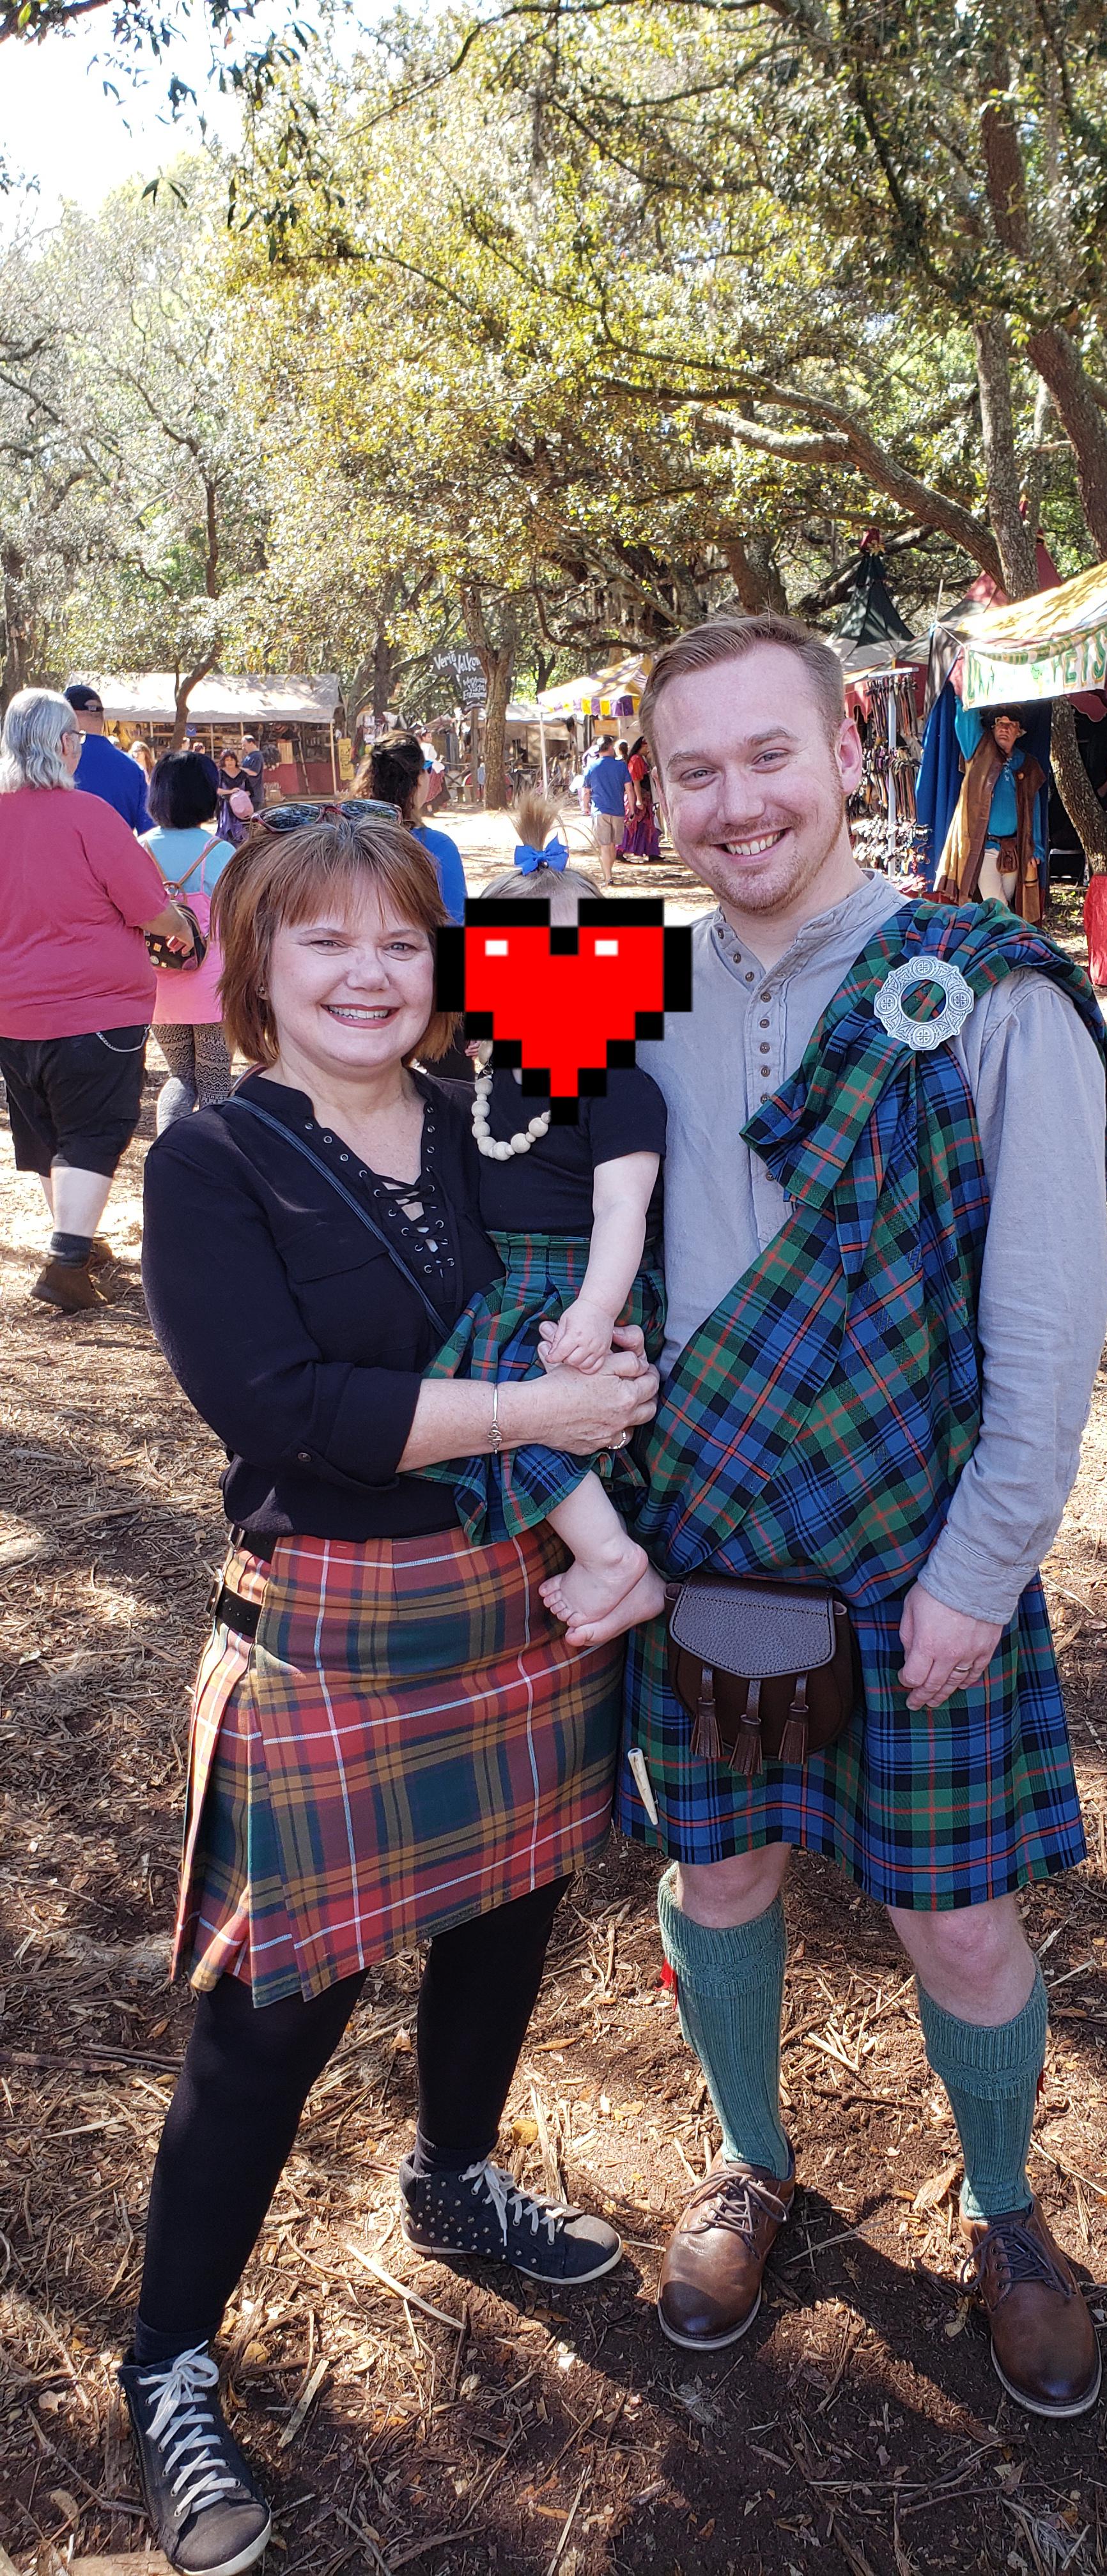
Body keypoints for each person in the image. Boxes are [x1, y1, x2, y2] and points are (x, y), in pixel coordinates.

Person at [123, 809, 657, 2576]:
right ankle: (168, 2363)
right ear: (253, 967)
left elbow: (619, 1029)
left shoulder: (491, 1099)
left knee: (511, 1911)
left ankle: (453, 2177)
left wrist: (605, 1346)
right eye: (323, 942)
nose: (368, 974)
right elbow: (287, 1408)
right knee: (278, 2010)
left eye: (405, 944)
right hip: (338, 1612)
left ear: (450, 964)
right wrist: (540, 1419)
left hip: (513, 1595)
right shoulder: (214, 1156)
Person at [621, 613, 1107, 2420]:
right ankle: (753, 2161)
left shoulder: (987, 985)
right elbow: (350, 978)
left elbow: (1051, 1320)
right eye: (694, 769)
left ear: (850, 750)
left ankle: (1005, 2212)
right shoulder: (605, 965)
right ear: (651, 787)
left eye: (770, 757)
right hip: (695, 1546)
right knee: (718, 1870)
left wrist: (985, 1569)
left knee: (962, 1922)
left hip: (919, 1560)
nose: (737, 802)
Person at [425, 792, 667, 1643]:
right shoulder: (487, 1077)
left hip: (580, 1282)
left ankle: (614, 1560)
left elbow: (623, 1207)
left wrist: (597, 1312)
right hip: (508, 1282)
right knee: (475, 1411)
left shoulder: (621, 1083)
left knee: (531, 1402)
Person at [0, 689, 193, 1312]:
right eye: (77, 740)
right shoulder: (88, 815)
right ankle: (67, 1262)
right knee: (93, 1131)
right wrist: (183, 930)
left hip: (14, 1012)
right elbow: (150, 911)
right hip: (96, 1008)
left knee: (47, 1134)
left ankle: (75, 1236)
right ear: (63, 745)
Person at [144, 751, 237, 1129]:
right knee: (216, 1082)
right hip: (214, 987)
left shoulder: (140, 849)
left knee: (180, 1076)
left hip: (160, 986)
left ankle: (170, 1153)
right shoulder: (220, 852)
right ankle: (215, 1163)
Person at [934, 702, 1046, 920]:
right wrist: (967, 693)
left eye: (1011, 724)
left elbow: (1034, 810)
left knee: (1005, 905)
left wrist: (1037, 848)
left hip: (1013, 850)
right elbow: (965, 718)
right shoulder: (978, 751)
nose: (1005, 728)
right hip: (984, 848)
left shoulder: (1028, 765)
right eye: (1000, 723)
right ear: (993, 729)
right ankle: (1011, 944)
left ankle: (998, 946)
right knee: (999, 908)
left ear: (1019, 732)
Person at [352, 728, 467, 921]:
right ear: (418, 780)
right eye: (427, 768)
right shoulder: (437, 847)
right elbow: (455, 921)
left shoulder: (340, 838)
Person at [65, 682, 153, 833]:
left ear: (68, 714)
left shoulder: (58, 763)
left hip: (68, 854)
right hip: (118, 854)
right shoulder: (133, 769)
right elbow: (149, 831)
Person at [580, 735, 631, 886]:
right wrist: (632, 807)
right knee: (613, 845)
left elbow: (586, 791)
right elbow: (629, 788)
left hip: (600, 810)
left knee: (604, 845)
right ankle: (609, 874)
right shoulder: (621, 766)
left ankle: (608, 876)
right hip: (618, 810)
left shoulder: (591, 767)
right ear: (611, 748)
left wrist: (586, 807)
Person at [621, 735, 662, 861]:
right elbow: (636, 781)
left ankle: (650, 851)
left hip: (645, 797)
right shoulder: (636, 760)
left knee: (646, 825)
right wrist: (638, 800)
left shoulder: (642, 759)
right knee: (635, 824)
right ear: (643, 746)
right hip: (640, 798)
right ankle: (622, 849)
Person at [238, 733, 264, 811]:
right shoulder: (249, 756)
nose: (243, 748)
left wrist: (239, 769)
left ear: (251, 743)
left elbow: (254, 772)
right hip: (247, 794)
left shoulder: (257, 756)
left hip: (254, 795)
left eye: (245, 745)